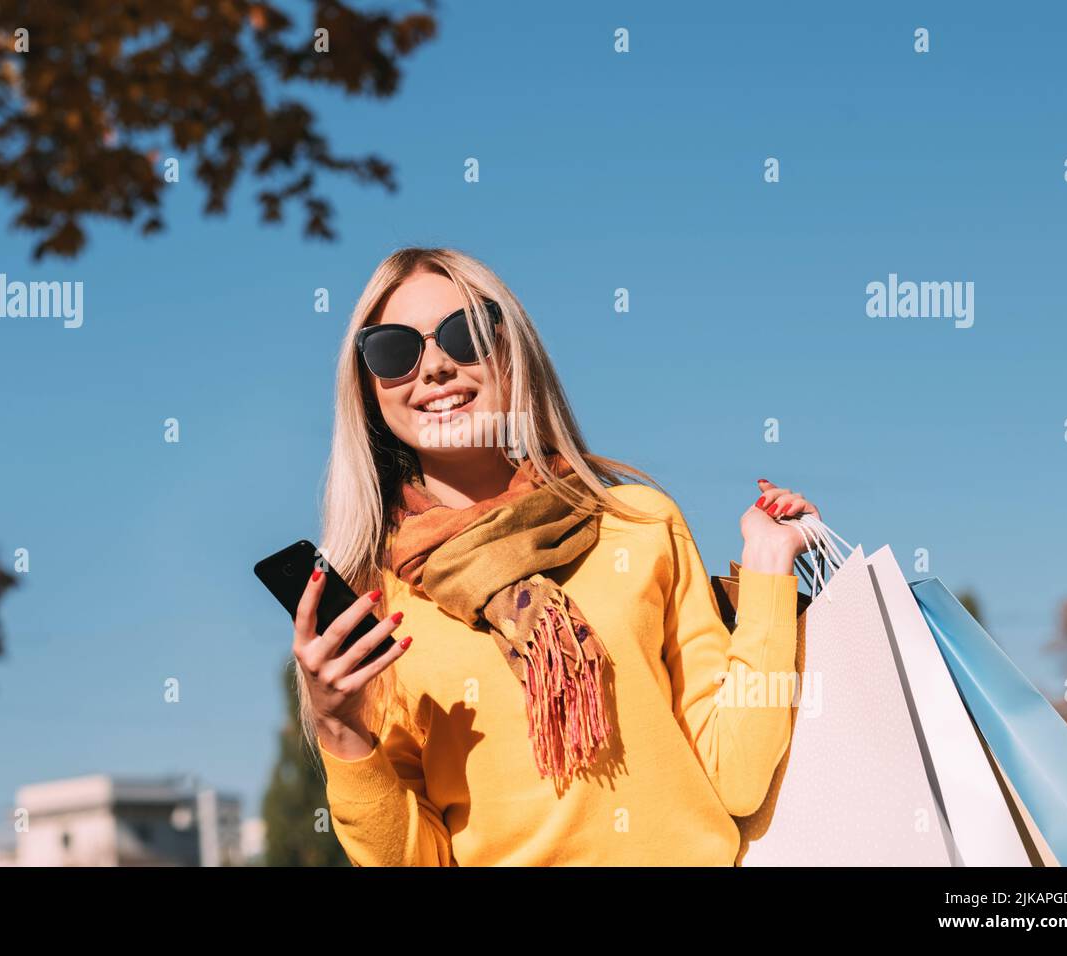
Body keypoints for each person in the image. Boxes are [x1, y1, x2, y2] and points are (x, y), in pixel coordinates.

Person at [291, 246, 820, 865]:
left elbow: (737, 775)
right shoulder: (376, 609)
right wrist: (341, 728)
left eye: (465, 335)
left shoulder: (640, 525)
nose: (433, 366)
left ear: (512, 355)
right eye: (393, 350)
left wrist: (767, 563)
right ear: (369, 390)